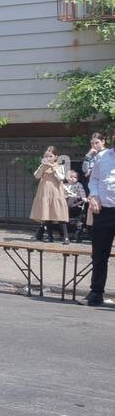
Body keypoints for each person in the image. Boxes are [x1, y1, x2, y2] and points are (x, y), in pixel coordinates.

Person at [85, 130, 115, 306]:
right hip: (104, 211)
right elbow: (93, 180)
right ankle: (96, 292)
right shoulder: (103, 157)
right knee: (99, 255)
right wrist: (94, 195)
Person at [30, 147, 69, 244]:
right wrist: (43, 167)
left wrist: (53, 168)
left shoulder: (59, 166)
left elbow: (61, 178)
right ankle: (50, 236)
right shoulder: (42, 166)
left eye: (50, 156)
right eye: (46, 156)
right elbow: (36, 176)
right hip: (44, 192)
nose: (48, 158)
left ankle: (66, 237)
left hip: (56, 193)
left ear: (56, 157)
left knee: (59, 214)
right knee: (46, 214)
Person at [63, 169, 88, 243]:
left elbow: (82, 193)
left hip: (76, 202)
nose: (73, 179)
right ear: (67, 178)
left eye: (75, 177)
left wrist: (83, 197)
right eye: (71, 177)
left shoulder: (78, 185)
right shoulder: (64, 185)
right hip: (65, 202)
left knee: (71, 198)